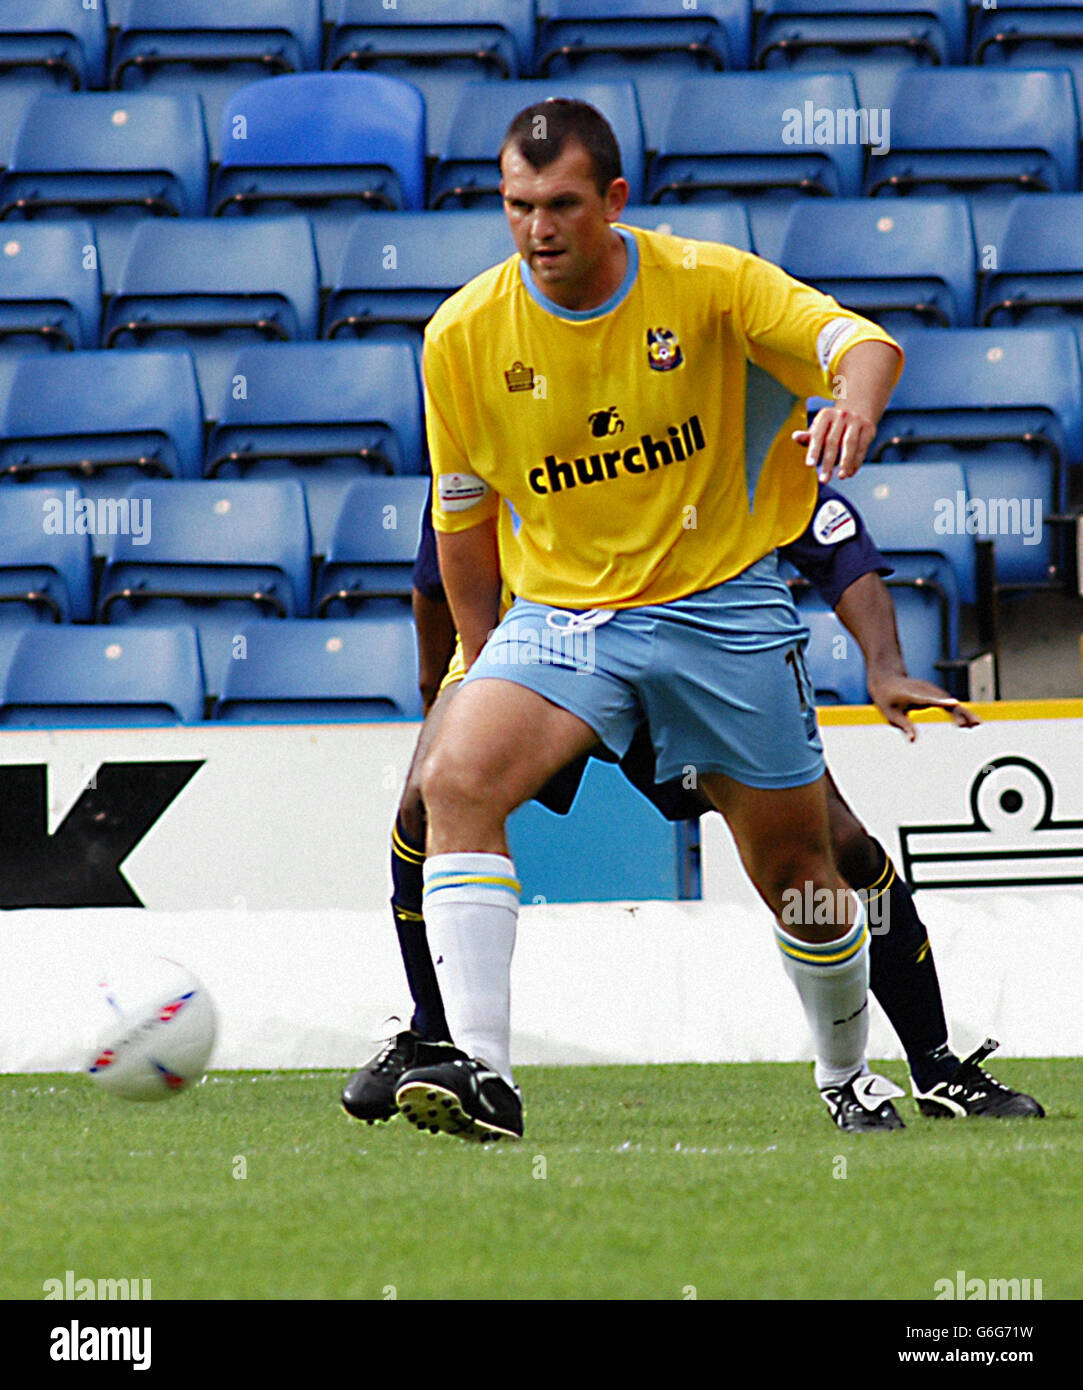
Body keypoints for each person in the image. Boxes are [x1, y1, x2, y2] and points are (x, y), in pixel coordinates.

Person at [382, 96, 911, 1142]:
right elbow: (462, 515)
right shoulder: (462, 334)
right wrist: (479, 667)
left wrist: (853, 400)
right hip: (567, 617)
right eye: (517, 204)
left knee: (801, 878)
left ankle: (847, 1072)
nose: (538, 228)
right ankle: (482, 1070)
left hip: (722, 611)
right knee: (454, 776)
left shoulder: (709, 285)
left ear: (613, 201)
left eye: (562, 205)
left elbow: (863, 346)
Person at [342, 481, 1044, 1128]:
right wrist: (440, 687)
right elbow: (441, 559)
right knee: (426, 801)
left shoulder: (701, 414)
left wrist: (883, 665)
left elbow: (833, 543)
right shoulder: (503, 378)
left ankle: (934, 1068)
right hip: (533, 641)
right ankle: (433, 1037)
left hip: (688, 641)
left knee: (836, 850)